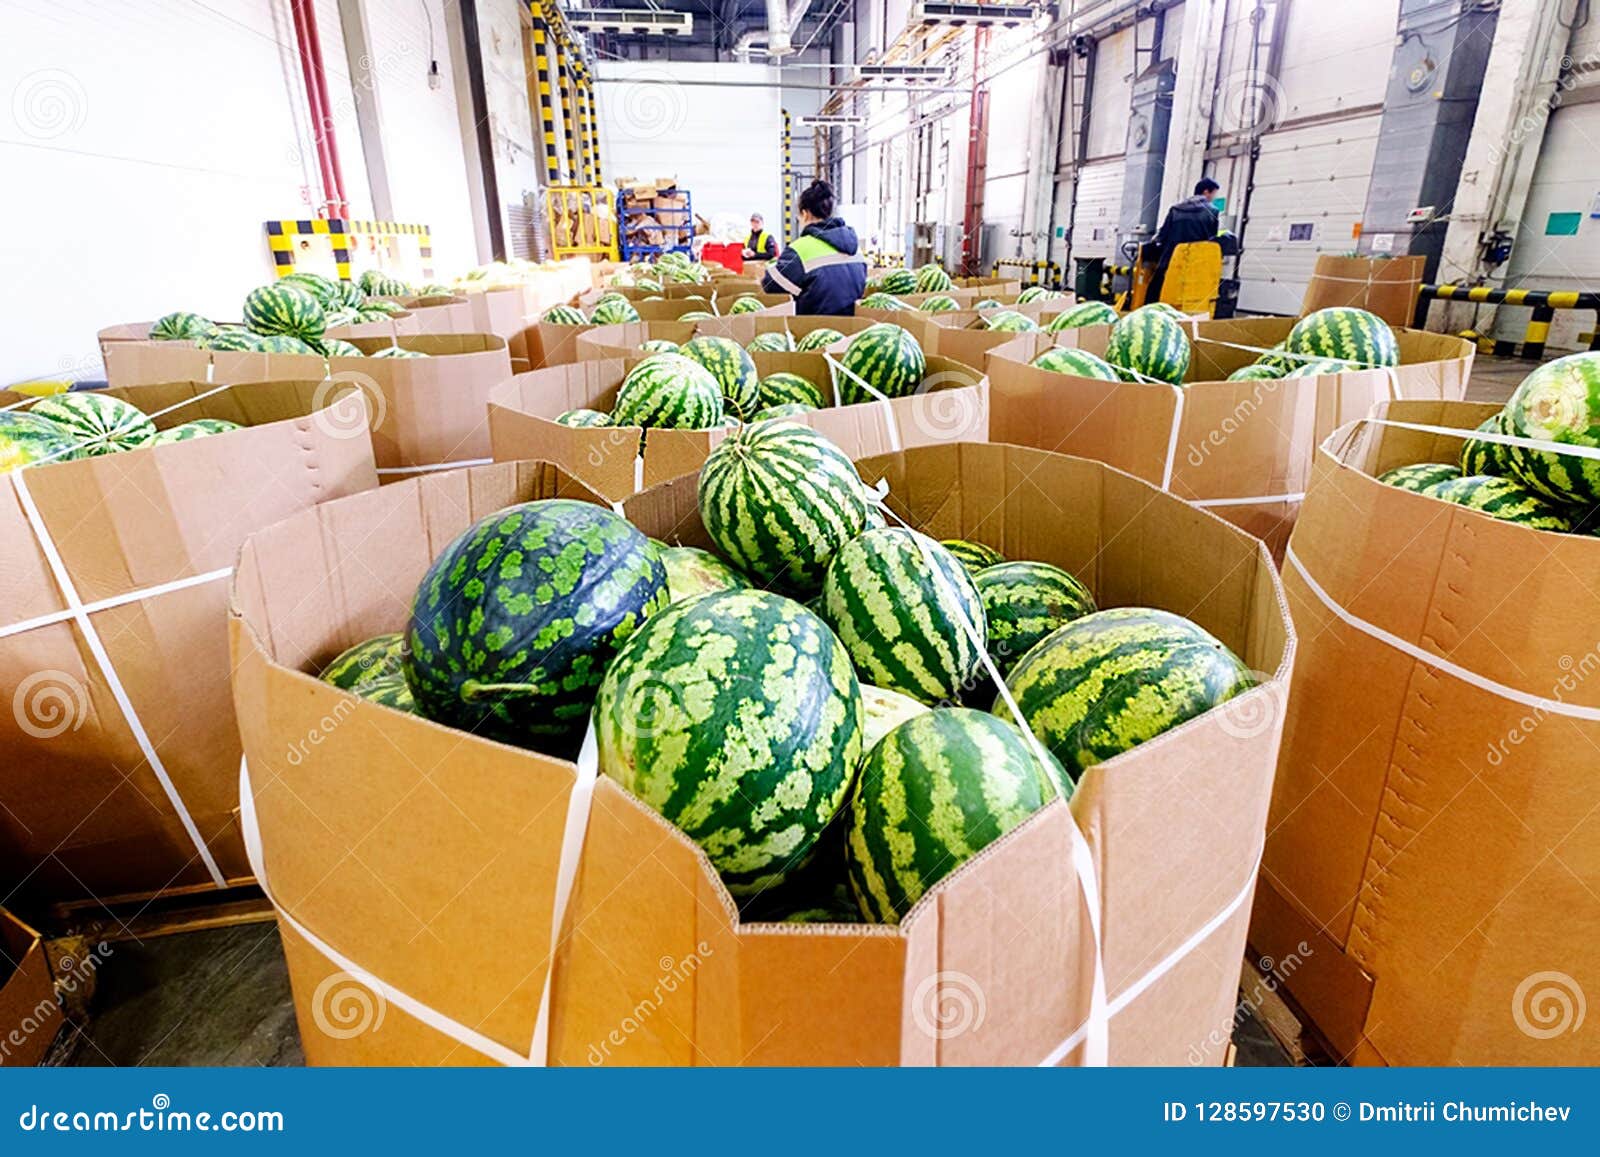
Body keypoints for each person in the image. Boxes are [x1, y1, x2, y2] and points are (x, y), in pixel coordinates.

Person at [760, 181, 867, 316]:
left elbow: (770, 286)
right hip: (853, 330)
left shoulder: (800, 249)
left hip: (812, 330)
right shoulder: (855, 247)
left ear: (805, 214)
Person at [1145, 177, 1222, 301]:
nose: (1213, 197)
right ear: (1206, 192)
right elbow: (1211, 240)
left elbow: (1163, 235)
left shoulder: (1175, 209)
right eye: (1214, 194)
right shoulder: (1212, 211)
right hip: (1196, 262)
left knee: (1158, 288)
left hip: (1170, 259)